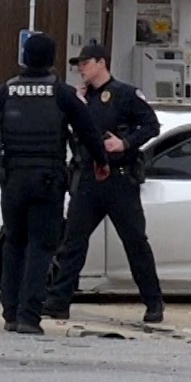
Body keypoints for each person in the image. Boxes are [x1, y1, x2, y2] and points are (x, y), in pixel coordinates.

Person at [0, 32, 108, 336]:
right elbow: (88, 131)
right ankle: (29, 317)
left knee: (14, 245)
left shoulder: (4, 92)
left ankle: (10, 314)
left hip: (13, 182)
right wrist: (101, 162)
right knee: (41, 247)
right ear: (51, 60)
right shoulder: (62, 93)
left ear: (24, 58)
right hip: (47, 181)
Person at [44, 41, 165, 323]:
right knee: (72, 243)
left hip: (119, 179)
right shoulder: (80, 97)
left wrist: (125, 143)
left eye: (85, 63)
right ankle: (58, 301)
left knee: (135, 243)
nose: (80, 70)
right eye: (78, 65)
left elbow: (151, 125)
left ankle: (153, 302)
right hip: (87, 178)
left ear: (101, 63)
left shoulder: (124, 94)